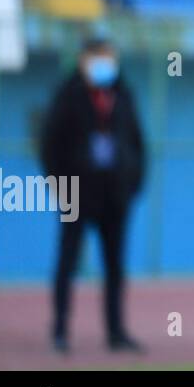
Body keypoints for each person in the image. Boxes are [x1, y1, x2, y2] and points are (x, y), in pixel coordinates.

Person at [39, 36, 147, 355]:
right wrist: (61, 185)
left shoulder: (123, 93)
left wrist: (133, 183)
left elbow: (137, 142)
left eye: (110, 58)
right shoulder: (68, 95)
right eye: (99, 58)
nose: (105, 65)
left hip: (114, 194)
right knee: (67, 261)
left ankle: (116, 332)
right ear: (84, 59)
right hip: (76, 191)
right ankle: (60, 330)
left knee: (115, 266)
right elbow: (50, 144)